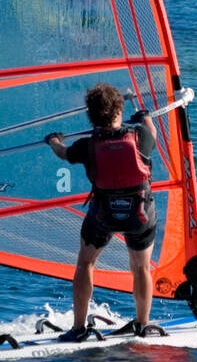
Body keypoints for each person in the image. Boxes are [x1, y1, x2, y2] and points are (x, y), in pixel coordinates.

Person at [45, 83, 166, 341]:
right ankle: (143, 324)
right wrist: (143, 115)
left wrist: (54, 140)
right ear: (119, 111)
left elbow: (63, 153)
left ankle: (78, 328)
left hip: (104, 216)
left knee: (85, 262)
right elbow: (152, 131)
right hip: (140, 215)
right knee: (141, 268)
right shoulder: (140, 136)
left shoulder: (86, 146)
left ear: (91, 116)